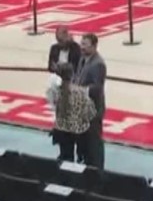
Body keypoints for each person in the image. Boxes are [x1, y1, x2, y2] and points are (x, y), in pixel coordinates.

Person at [46, 62, 96, 163]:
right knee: (82, 160)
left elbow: (53, 106)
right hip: (80, 132)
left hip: (62, 130)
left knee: (65, 159)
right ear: (73, 74)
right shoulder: (81, 92)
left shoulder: (53, 92)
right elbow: (91, 113)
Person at [75, 33, 107, 168]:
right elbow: (78, 77)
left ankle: (97, 169)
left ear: (94, 46)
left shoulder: (98, 64)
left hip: (93, 109)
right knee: (83, 139)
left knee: (94, 141)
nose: (82, 47)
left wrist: (81, 90)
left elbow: (97, 87)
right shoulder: (83, 59)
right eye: (81, 44)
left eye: (85, 45)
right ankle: (85, 164)